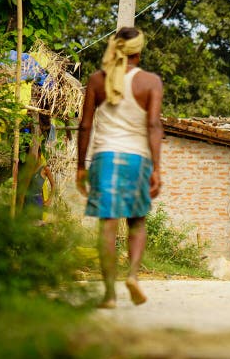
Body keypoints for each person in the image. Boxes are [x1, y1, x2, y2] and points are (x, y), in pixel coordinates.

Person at [76, 26, 164, 309]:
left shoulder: (97, 80)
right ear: (138, 51)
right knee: (137, 220)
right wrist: (157, 167)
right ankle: (134, 276)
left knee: (107, 226)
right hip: (137, 159)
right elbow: (152, 125)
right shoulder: (150, 82)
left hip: (103, 159)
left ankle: (109, 295)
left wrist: (81, 166)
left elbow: (85, 125)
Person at [24, 149, 55, 222]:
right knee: (25, 225)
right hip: (26, 200)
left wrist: (49, 200)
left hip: (37, 201)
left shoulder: (45, 169)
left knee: (36, 226)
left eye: (35, 154)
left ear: (39, 154)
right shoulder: (28, 168)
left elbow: (53, 185)